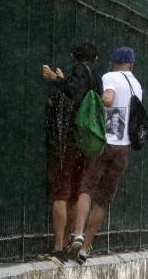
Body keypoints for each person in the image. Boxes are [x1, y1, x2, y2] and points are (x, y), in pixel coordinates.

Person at [67, 46, 143, 264]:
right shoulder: (136, 85)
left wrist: (95, 99)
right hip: (123, 148)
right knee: (103, 200)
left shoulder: (109, 77)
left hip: (104, 144)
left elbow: (108, 99)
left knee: (86, 188)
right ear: (131, 64)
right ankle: (86, 248)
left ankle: (78, 234)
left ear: (113, 62)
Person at [41, 41, 103, 266]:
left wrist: (56, 79)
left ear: (74, 56)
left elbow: (74, 93)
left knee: (60, 192)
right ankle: (70, 241)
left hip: (69, 140)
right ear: (95, 58)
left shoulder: (79, 70)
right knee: (76, 192)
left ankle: (58, 247)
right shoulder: (97, 76)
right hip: (87, 142)